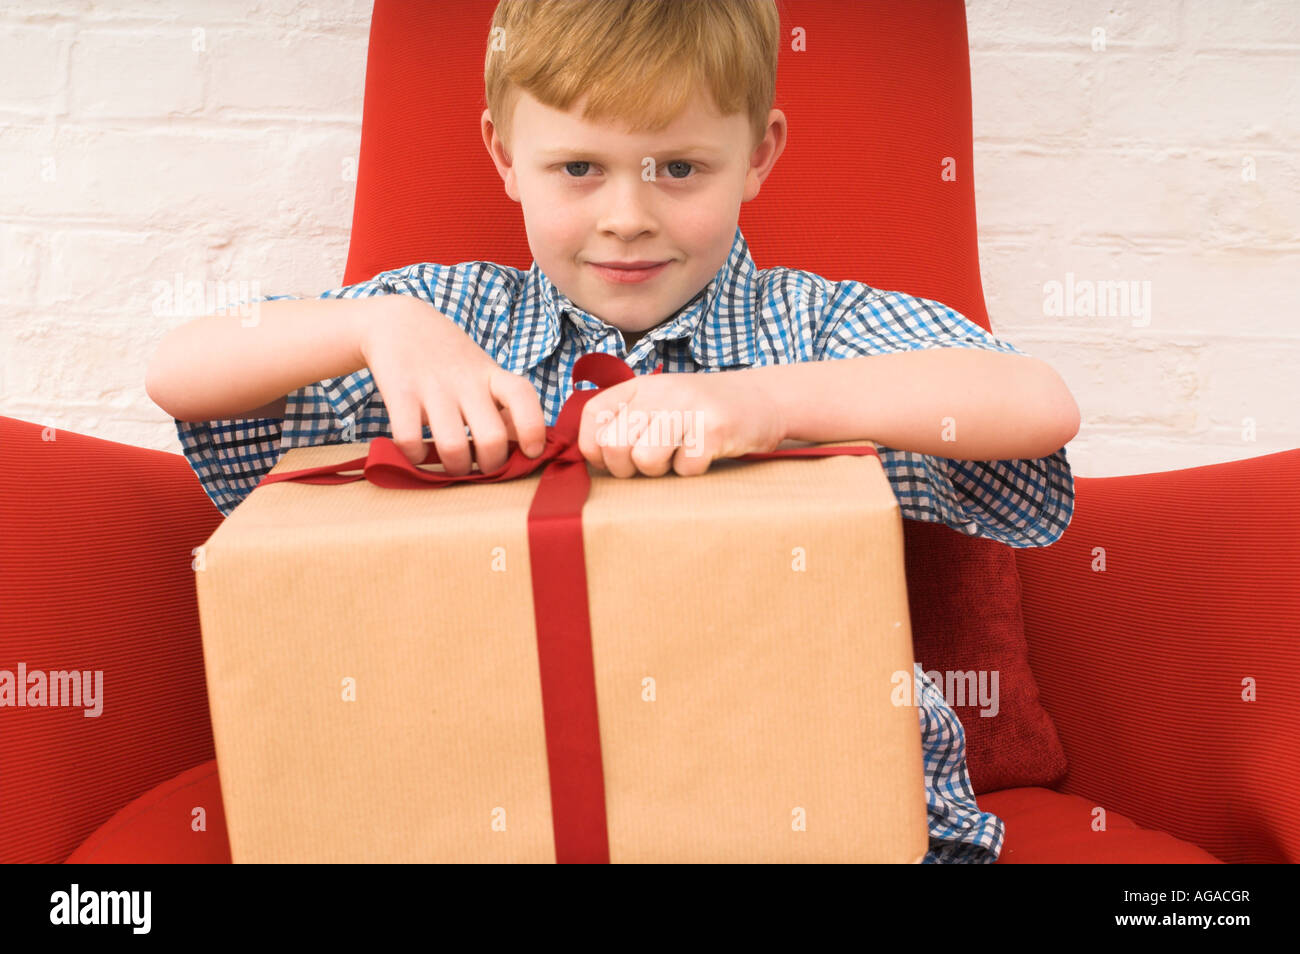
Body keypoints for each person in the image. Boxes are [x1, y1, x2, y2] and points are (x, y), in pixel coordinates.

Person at [146, 0, 1079, 863]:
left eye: (680, 169)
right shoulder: (451, 315)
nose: (627, 218)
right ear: (505, 156)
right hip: (490, 803)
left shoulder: (808, 326)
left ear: (759, 154)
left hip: (804, 807)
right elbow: (178, 373)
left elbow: (1035, 402)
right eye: (578, 169)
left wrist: (768, 405)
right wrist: (374, 326)